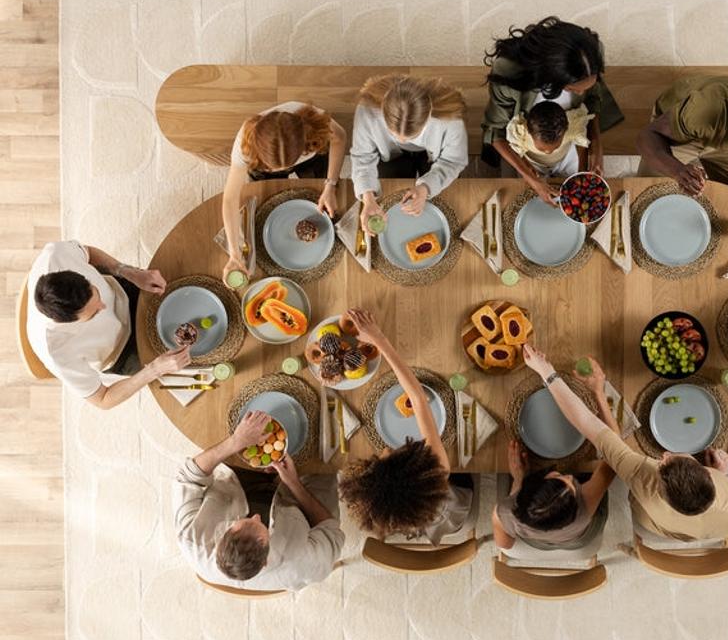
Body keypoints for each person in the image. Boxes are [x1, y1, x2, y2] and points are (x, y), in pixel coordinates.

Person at [522, 345, 728, 547]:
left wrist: (547, 372)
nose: (665, 453)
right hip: (682, 530)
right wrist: (724, 476)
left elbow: (588, 423)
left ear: (657, 480)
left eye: (665, 460)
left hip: (651, 518)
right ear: (707, 477)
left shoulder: (643, 477)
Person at [338, 309, 471, 544]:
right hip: (449, 507)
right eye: (384, 458)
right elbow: (418, 399)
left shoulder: (394, 502)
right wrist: (380, 339)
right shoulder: (438, 469)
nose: (382, 451)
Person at [173, 409, 344, 591]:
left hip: (236, 483)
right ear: (265, 561)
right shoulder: (301, 563)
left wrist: (235, 442)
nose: (255, 517)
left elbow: (188, 477)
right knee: (325, 447)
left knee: (224, 421)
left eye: (243, 522)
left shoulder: (191, 539)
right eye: (260, 526)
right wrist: (293, 483)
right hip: (296, 499)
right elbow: (330, 529)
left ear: (223, 536)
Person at [26, 240, 190, 409]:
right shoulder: (56, 352)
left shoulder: (57, 255)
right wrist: (154, 369)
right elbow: (103, 399)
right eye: (95, 313)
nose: (103, 307)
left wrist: (128, 272)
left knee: (187, 287)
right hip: (122, 352)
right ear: (68, 322)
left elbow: (89, 253)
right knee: (191, 362)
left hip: (123, 291)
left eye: (95, 292)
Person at [482, 16, 624, 205]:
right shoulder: (509, 71)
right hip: (524, 142)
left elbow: (590, 105)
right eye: (574, 89)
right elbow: (496, 131)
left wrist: (597, 150)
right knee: (514, 197)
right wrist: (532, 180)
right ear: (552, 76)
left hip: (569, 135)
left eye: (587, 86)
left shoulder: (590, 54)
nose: (582, 92)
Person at [491, 356, 616, 551]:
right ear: (576, 506)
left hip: (539, 541)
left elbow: (505, 544)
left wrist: (517, 481)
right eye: (571, 484)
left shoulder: (505, 512)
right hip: (578, 539)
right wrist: (599, 393)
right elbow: (614, 452)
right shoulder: (584, 509)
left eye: (559, 477)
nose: (568, 475)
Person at [220, 101, 347, 285]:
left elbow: (340, 138)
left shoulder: (315, 121)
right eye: (278, 167)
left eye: (288, 164)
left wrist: (330, 185)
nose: (286, 170)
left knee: (321, 186)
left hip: (310, 160)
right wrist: (234, 253)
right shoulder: (244, 144)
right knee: (266, 202)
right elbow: (230, 199)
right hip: (261, 168)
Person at [351, 75, 468, 233]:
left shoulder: (450, 120)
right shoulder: (368, 110)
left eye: (411, 137)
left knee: (443, 202)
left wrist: (425, 188)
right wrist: (368, 198)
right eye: (394, 133)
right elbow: (362, 157)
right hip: (390, 154)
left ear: (428, 117)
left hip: (436, 156)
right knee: (389, 194)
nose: (403, 140)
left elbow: (453, 161)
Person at [506, 100, 593, 183]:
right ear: (529, 132)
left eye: (555, 147)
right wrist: (527, 166)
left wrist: (581, 170)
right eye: (541, 149)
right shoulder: (520, 132)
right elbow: (516, 151)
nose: (548, 152)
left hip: (563, 159)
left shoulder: (573, 124)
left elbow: (581, 142)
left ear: (566, 130)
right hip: (534, 164)